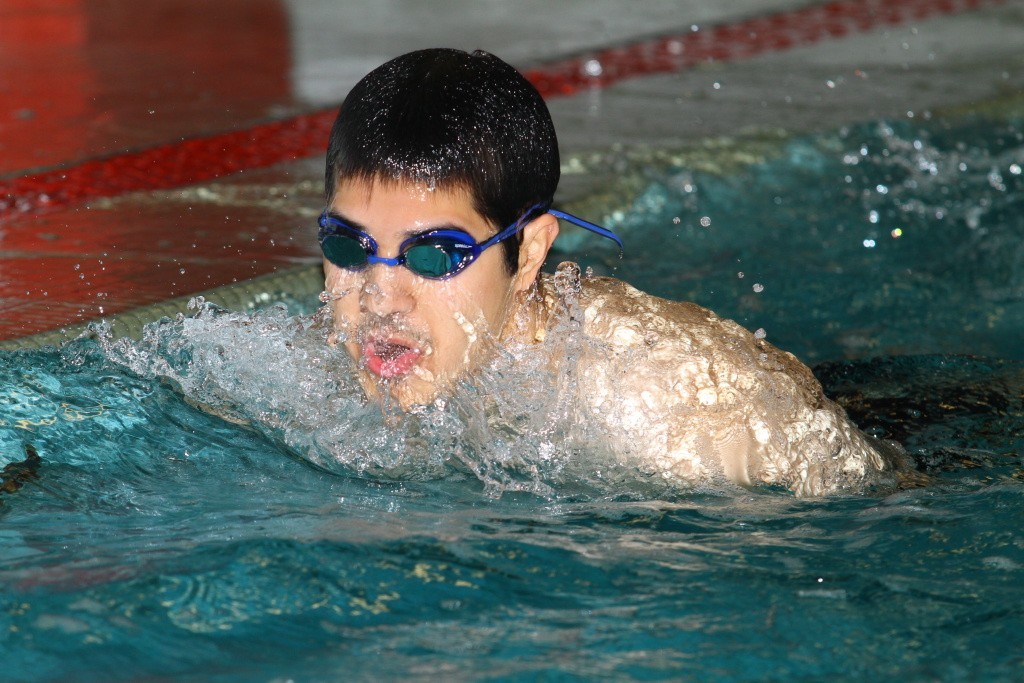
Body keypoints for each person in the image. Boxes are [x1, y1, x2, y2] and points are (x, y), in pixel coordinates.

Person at [317, 48, 906, 496]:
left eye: (432, 256)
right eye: (349, 247)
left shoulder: (674, 404)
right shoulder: (329, 354)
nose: (379, 296)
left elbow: (879, 507)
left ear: (528, 253)